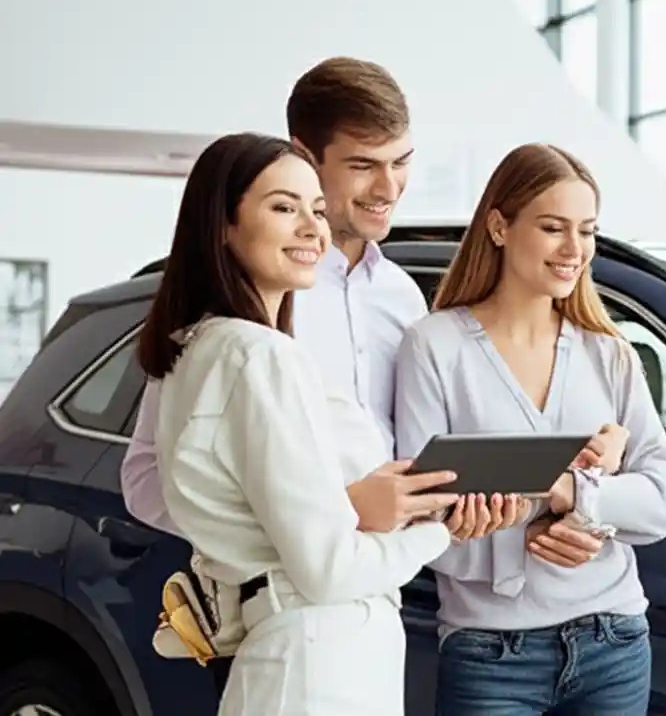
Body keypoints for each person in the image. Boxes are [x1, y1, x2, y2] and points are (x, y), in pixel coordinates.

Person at [120, 57, 530, 689]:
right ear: (304, 154)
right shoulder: (245, 332)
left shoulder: (403, 298)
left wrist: (450, 502)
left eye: (401, 162)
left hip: (378, 601)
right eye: (364, 164)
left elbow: (410, 456)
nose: (388, 187)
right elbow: (155, 477)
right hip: (291, 610)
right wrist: (324, 516)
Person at [138, 131, 459, 716]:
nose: (314, 229)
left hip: (302, 656)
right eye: (285, 208)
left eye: (317, 209)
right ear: (222, 225)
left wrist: (375, 509)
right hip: (318, 661)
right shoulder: (257, 356)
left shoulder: (203, 348)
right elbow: (330, 568)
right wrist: (444, 531)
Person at [395, 142, 666, 715]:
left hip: (613, 641)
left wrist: (577, 497)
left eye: (587, 230)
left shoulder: (610, 354)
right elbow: (420, 517)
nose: (574, 249)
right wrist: (538, 532)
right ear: (499, 227)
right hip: (489, 653)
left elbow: (659, 505)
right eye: (553, 228)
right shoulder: (435, 346)